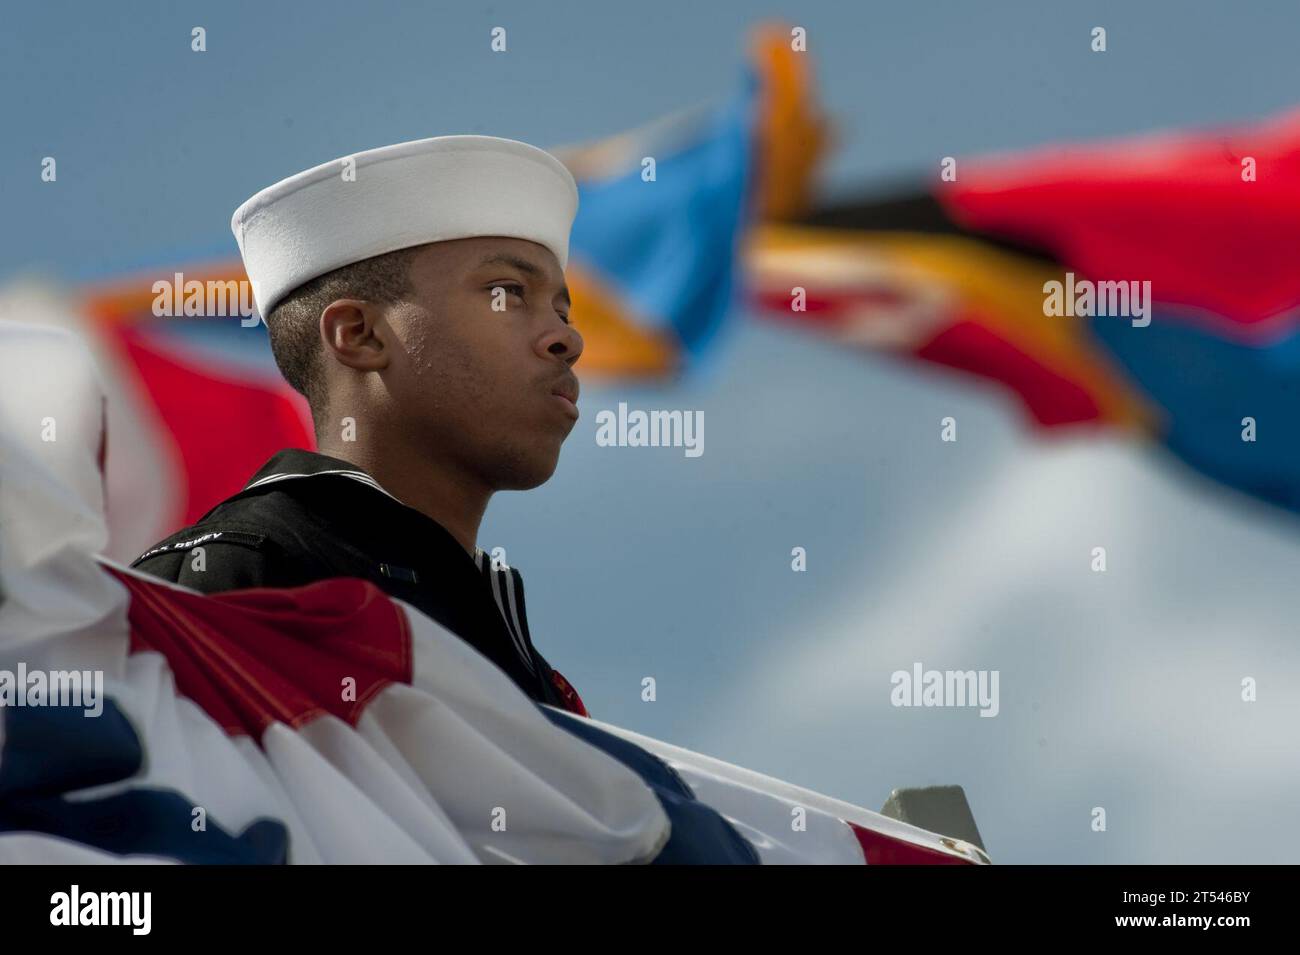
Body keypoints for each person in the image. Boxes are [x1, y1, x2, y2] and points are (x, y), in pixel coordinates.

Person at [131, 136, 587, 711]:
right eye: (507, 292)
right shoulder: (232, 574)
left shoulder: (529, 664)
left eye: (562, 310)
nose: (567, 339)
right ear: (359, 335)